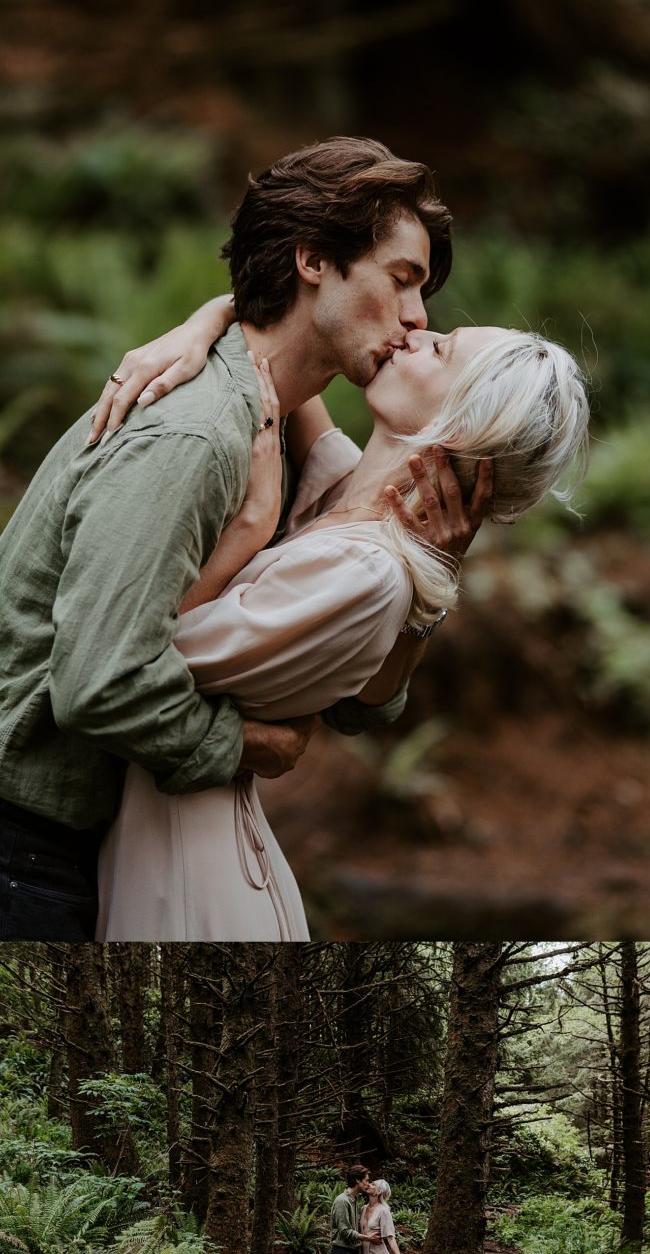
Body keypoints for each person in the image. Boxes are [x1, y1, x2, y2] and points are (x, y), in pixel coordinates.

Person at [0, 136, 478, 941]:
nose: (418, 317)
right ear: (314, 261)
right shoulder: (195, 436)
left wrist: (434, 566)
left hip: (74, 843)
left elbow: (361, 702)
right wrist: (238, 743)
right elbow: (96, 683)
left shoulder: (288, 427)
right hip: (23, 845)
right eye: (401, 279)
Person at [95, 320, 589, 940]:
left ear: (461, 424)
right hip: (162, 837)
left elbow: (131, 656)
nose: (416, 331)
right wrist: (207, 322)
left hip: (188, 880)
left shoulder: (364, 570)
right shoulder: (353, 495)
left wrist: (252, 524)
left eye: (441, 350)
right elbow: (287, 342)